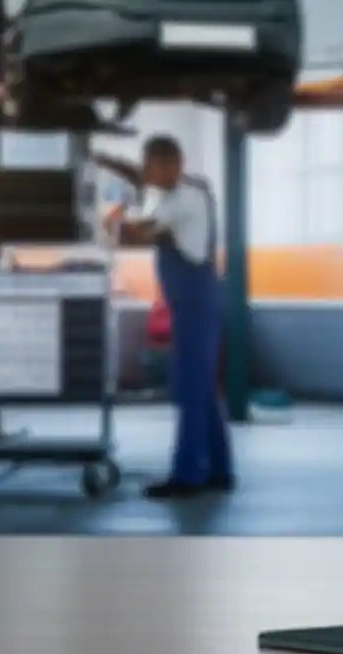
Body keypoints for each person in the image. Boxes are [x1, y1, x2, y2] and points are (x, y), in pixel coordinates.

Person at [95, 137, 234, 500]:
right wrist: (103, 158)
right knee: (202, 390)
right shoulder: (183, 191)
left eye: (151, 166)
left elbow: (139, 233)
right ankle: (220, 470)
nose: (146, 173)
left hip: (196, 303)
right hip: (193, 301)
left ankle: (187, 476)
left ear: (171, 165)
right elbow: (140, 177)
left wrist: (113, 217)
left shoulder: (183, 200)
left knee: (190, 389)